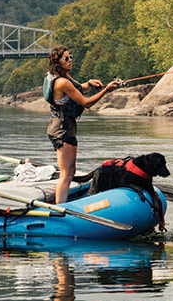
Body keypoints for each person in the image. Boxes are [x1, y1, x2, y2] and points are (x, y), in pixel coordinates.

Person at [44, 47, 121, 204]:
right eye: (66, 58)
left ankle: (62, 204)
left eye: (70, 57)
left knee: (69, 171)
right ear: (57, 63)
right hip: (62, 129)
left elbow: (78, 90)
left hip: (62, 126)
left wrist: (89, 84)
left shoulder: (64, 77)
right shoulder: (61, 82)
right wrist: (106, 90)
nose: (70, 60)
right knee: (66, 173)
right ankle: (60, 208)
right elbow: (85, 103)